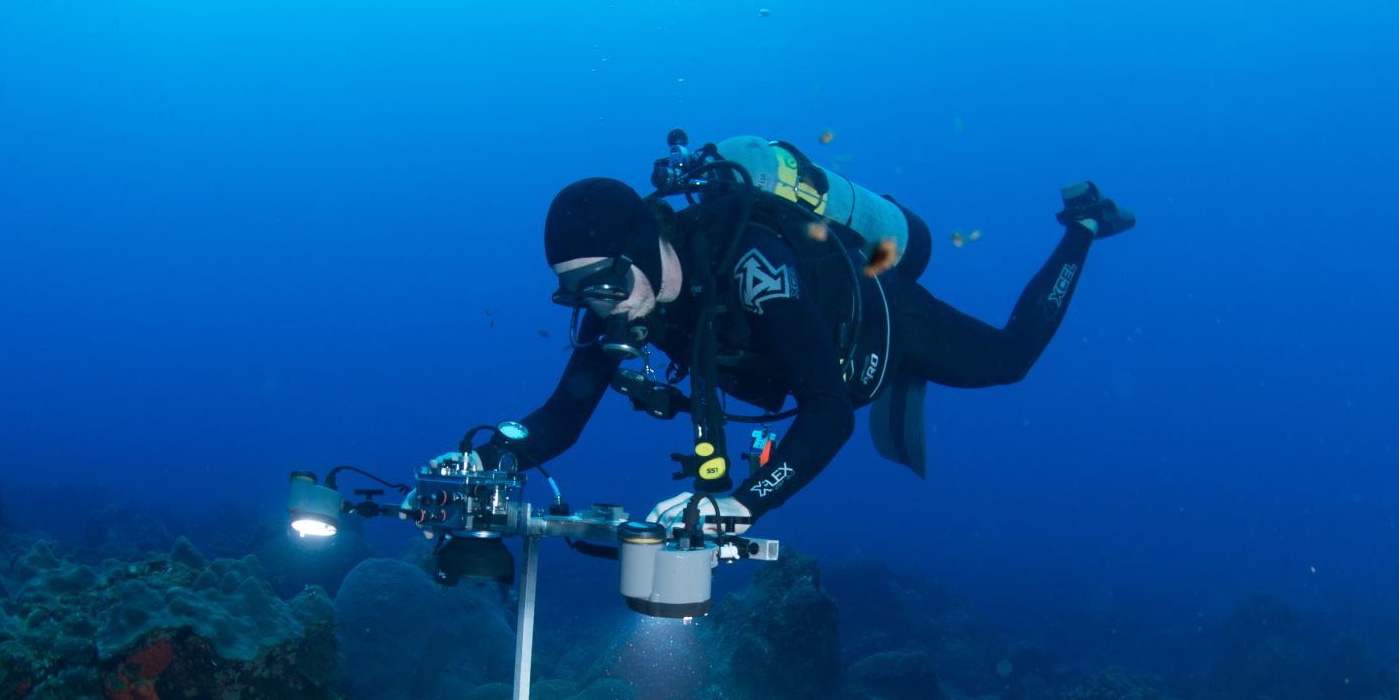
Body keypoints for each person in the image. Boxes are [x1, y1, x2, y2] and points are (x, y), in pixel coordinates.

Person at [483, 140, 1134, 531]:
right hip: (799, 360)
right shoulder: (621, 299)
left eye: (604, 280)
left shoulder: (752, 264)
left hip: (880, 327)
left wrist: (744, 505)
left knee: (1009, 358)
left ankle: (1082, 225)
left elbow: (828, 413)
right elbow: (563, 417)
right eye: (577, 291)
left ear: (643, 248)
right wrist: (486, 461)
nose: (600, 304)